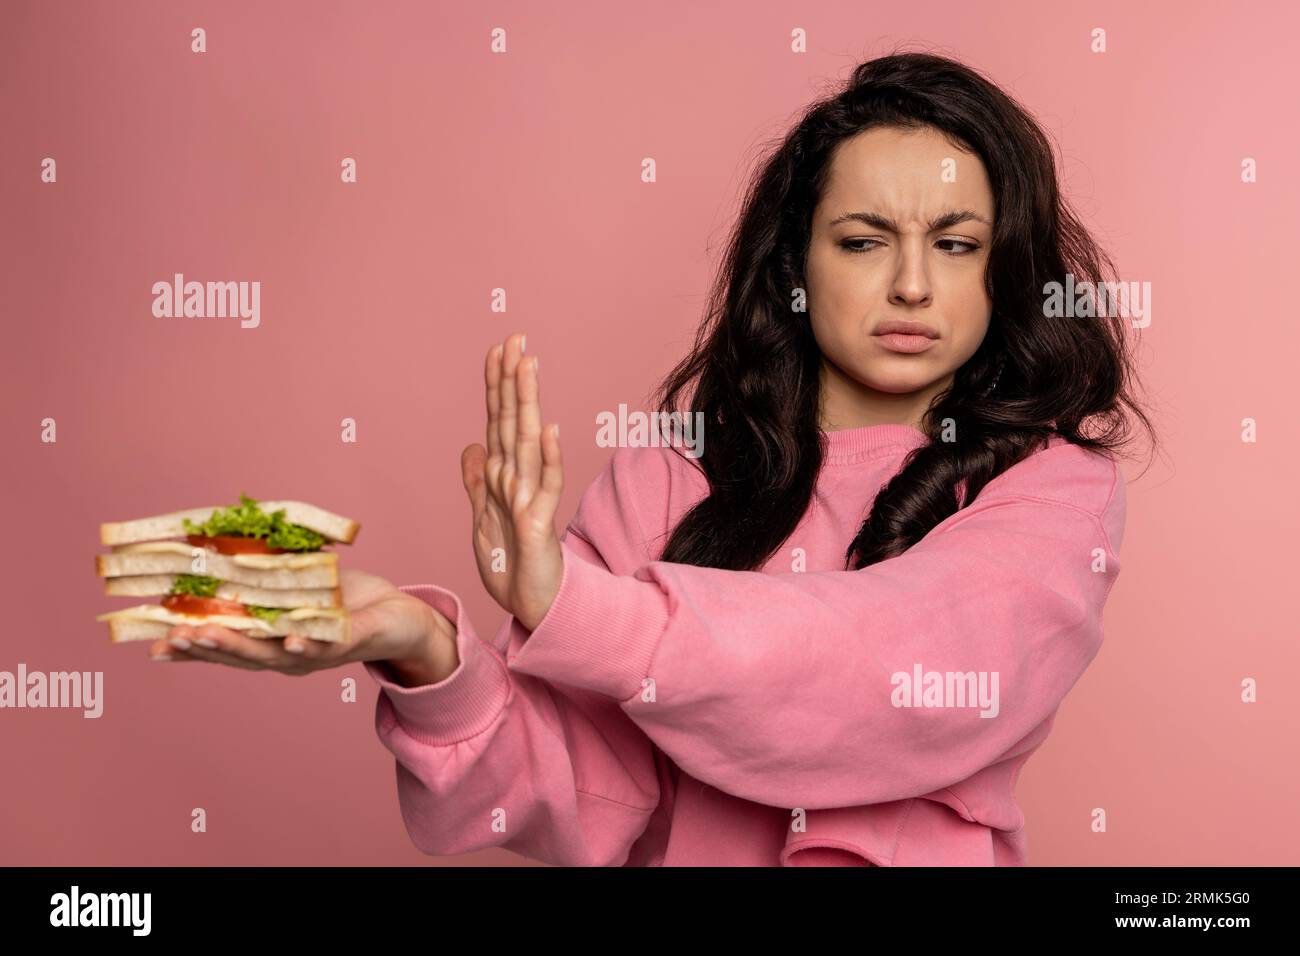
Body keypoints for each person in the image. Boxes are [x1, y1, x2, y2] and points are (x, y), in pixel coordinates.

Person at [153, 50, 1156, 866]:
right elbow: (582, 796)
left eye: (955, 243)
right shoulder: (670, 474)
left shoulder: (1051, 485)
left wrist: (578, 610)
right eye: (860, 241)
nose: (907, 284)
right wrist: (421, 645)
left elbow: (888, 670)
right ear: (794, 262)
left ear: (1005, 267)